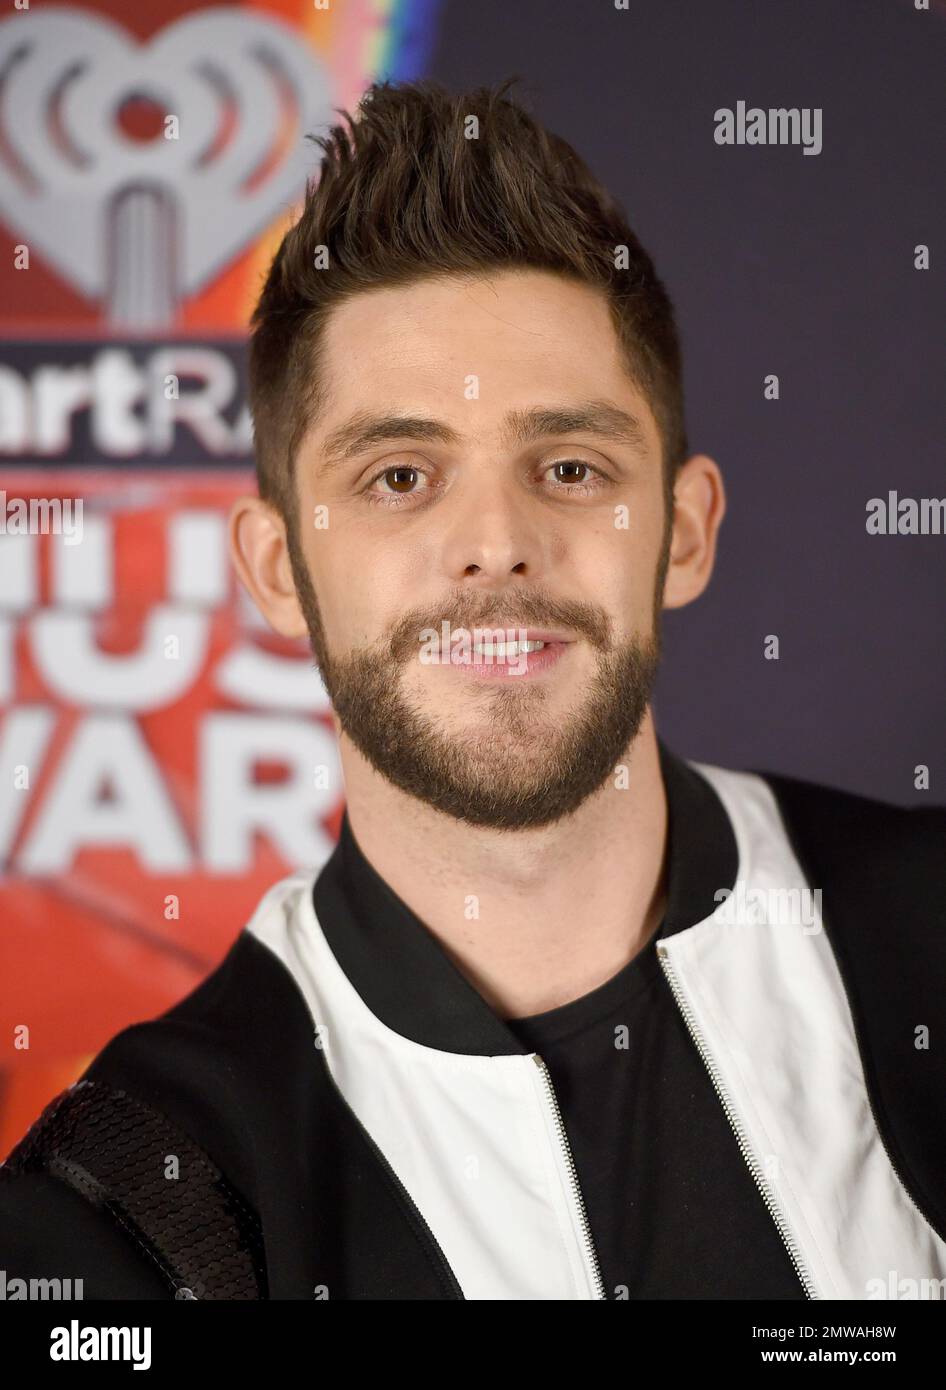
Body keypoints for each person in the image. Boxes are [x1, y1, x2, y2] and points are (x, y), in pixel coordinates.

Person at [2, 77, 944, 1302]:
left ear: (685, 532)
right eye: (399, 475)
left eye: (568, 463)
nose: (494, 541)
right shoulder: (143, 1210)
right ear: (279, 569)